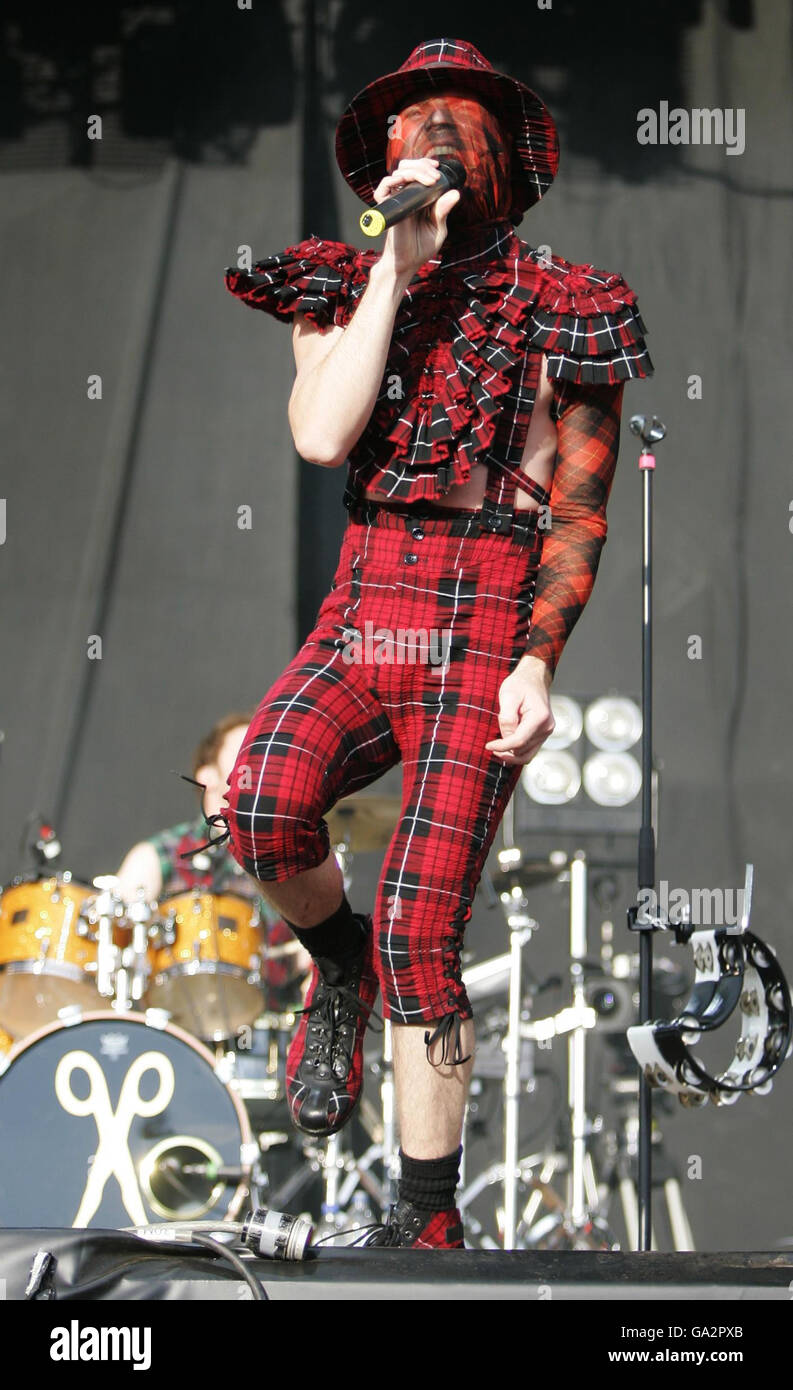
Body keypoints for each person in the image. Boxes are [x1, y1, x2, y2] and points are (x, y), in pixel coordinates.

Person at [218, 38, 653, 1248]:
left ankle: (427, 1222)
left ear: (499, 166)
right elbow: (320, 434)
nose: (429, 157)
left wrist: (540, 657)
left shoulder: (575, 306)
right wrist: (390, 273)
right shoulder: (330, 285)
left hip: (486, 612)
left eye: (451, 141)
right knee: (262, 801)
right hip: (371, 596)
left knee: (423, 920)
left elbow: (578, 506)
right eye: (410, 144)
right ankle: (335, 964)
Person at [117, 712, 308, 1015]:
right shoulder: (160, 855)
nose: (258, 757)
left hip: (267, 1033)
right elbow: (120, 929)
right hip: (175, 1024)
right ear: (207, 775)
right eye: (245, 747)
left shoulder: (292, 858)